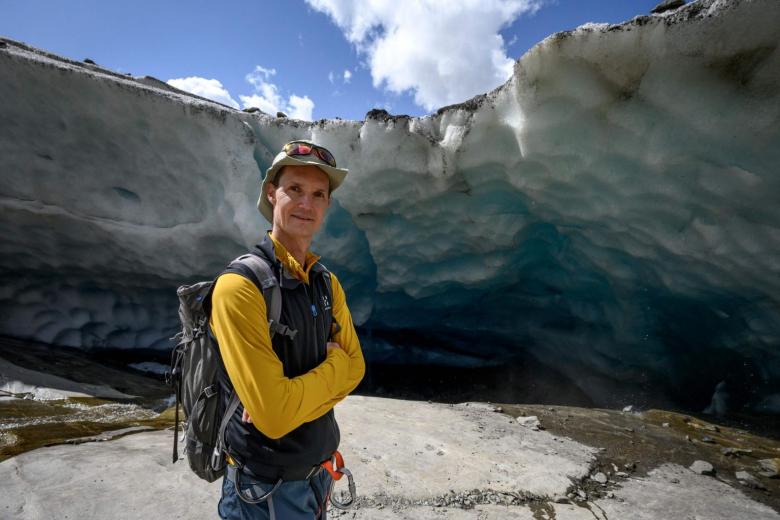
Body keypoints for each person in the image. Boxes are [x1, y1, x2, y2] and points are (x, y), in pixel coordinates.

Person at [209, 140, 365, 519]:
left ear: (327, 205)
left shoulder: (326, 283)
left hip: (318, 476)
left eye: (318, 194)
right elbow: (276, 416)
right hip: (263, 489)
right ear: (270, 194)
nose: (306, 204)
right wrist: (334, 368)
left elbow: (357, 369)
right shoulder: (240, 286)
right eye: (294, 189)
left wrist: (290, 397)